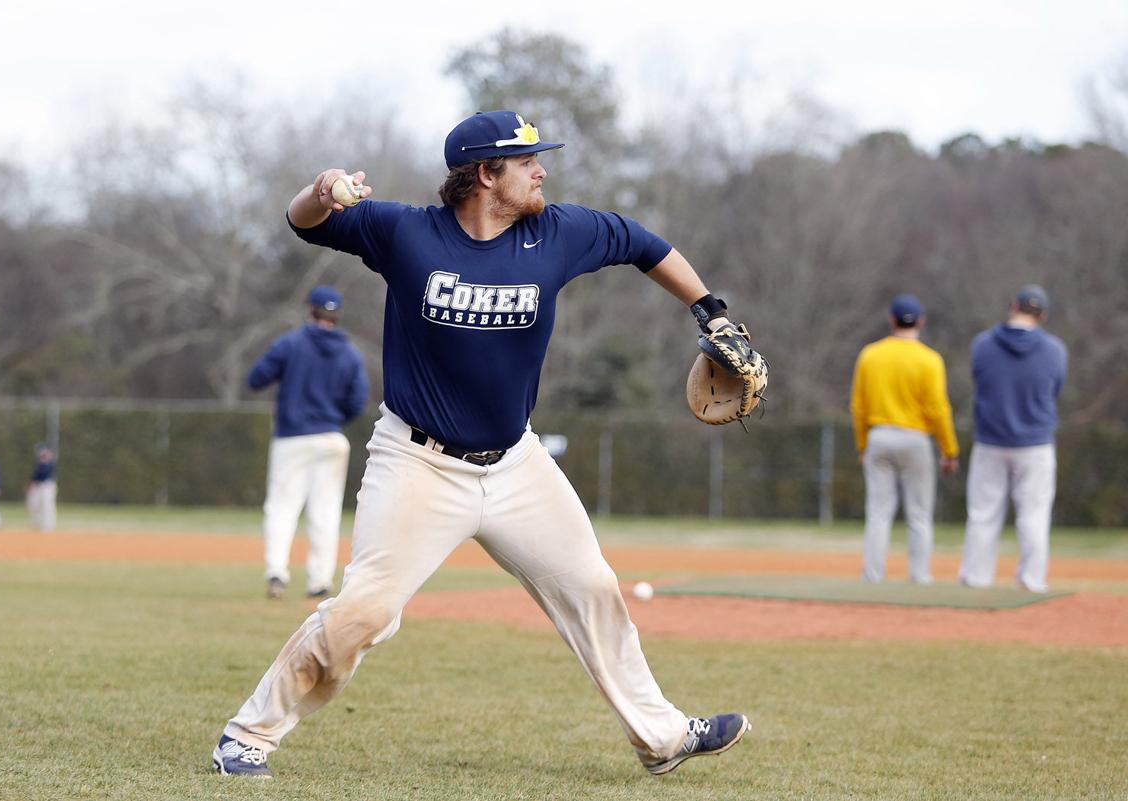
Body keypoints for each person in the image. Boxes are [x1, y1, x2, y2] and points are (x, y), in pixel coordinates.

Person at [211, 110, 752, 779]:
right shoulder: (406, 232)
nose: (541, 170)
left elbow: (644, 244)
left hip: (517, 463)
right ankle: (248, 734)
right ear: (485, 174)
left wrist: (711, 309)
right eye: (527, 161)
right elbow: (303, 222)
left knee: (593, 588)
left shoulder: (558, 232)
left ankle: (663, 736)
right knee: (365, 613)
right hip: (417, 461)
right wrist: (320, 191)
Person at [248, 285, 369, 600]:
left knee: (282, 508)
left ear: (310, 310)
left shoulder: (291, 344)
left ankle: (277, 573)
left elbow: (256, 378)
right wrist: (332, 417)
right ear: (337, 315)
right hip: (331, 437)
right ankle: (319, 581)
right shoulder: (350, 352)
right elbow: (358, 400)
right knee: (325, 512)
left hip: (293, 437)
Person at [959, 284, 1067, 593]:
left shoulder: (982, 345)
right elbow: (1054, 389)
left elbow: (979, 381)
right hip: (1035, 442)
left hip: (991, 439)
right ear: (1042, 315)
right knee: (1034, 515)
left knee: (983, 514)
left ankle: (976, 577)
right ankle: (1031, 578)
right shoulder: (1055, 350)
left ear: (1012, 305)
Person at [850, 294, 959, 585]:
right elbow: (938, 408)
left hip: (879, 436)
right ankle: (919, 576)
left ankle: (872, 576)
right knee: (919, 514)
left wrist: (862, 444)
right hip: (915, 439)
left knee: (878, 513)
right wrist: (949, 450)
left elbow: (858, 406)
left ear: (891, 320)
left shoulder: (870, 354)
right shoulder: (929, 359)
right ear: (921, 321)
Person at [25, 443, 58, 531]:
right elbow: (35, 476)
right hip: (39, 486)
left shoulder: (50, 462)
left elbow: (47, 474)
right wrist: (32, 486)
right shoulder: (38, 462)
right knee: (35, 505)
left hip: (47, 485)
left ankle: (49, 526)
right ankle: (37, 524)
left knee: (48, 506)